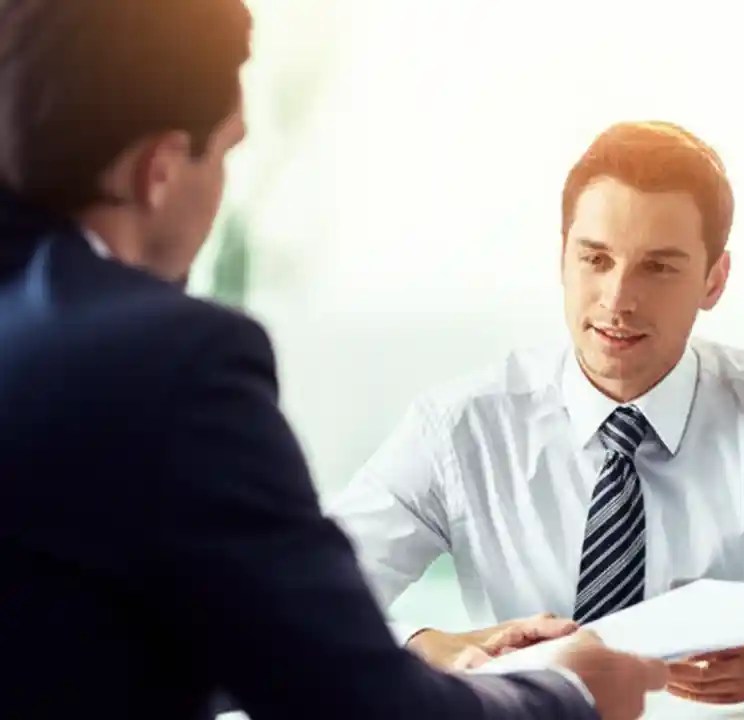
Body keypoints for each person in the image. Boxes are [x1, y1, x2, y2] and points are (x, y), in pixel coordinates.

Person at [0, 2, 666, 719]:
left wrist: (397, 655)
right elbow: (358, 707)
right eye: (225, 151)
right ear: (159, 171)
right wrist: (569, 693)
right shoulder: (168, 361)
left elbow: (72, 634)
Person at [331, 120, 744, 705]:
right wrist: (427, 646)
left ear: (714, 281)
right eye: (596, 259)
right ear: (562, 258)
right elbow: (298, 600)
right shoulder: (459, 429)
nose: (618, 299)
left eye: (658, 269)